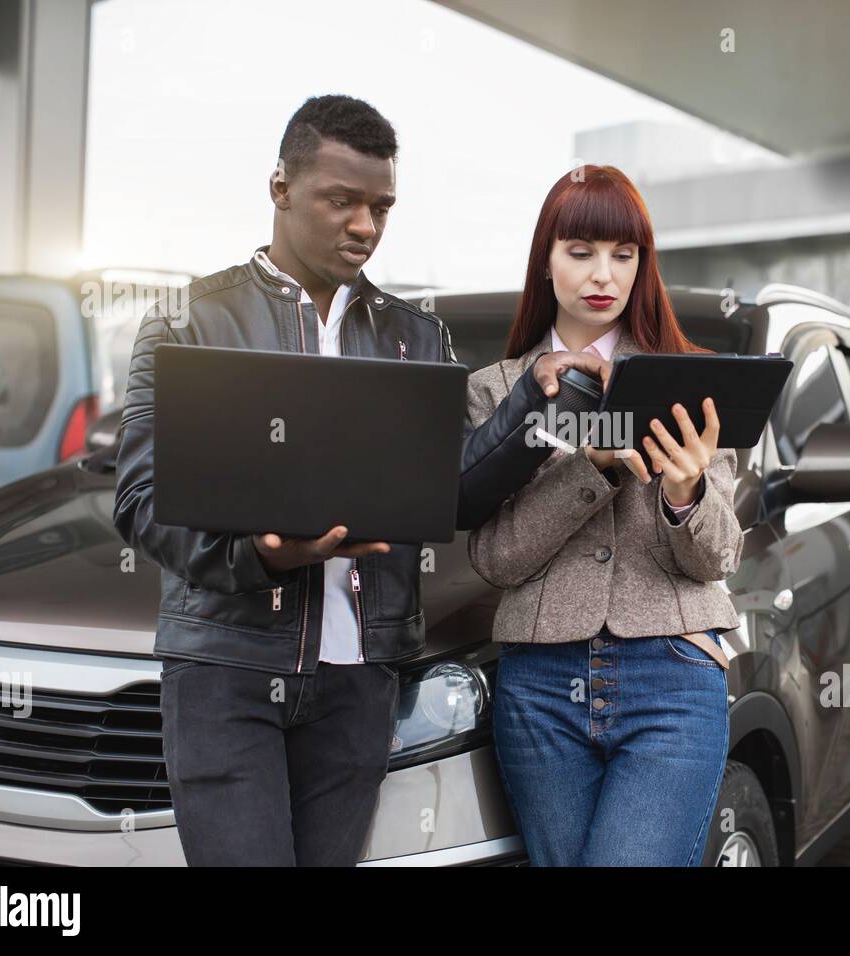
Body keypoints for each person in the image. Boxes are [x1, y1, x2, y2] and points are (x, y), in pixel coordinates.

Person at [113, 95, 610, 866]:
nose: (365, 227)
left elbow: (454, 497)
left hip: (360, 679)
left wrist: (528, 405)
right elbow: (142, 505)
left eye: (381, 207)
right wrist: (261, 556)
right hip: (226, 668)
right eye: (341, 202)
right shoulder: (187, 322)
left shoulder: (417, 337)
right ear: (280, 188)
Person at [465, 164, 745, 866]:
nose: (604, 274)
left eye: (625, 255)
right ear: (546, 260)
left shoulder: (693, 377)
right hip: (539, 687)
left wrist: (685, 495)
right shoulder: (496, 391)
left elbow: (718, 559)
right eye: (581, 251)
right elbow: (496, 559)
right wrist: (595, 470)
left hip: (673, 674)